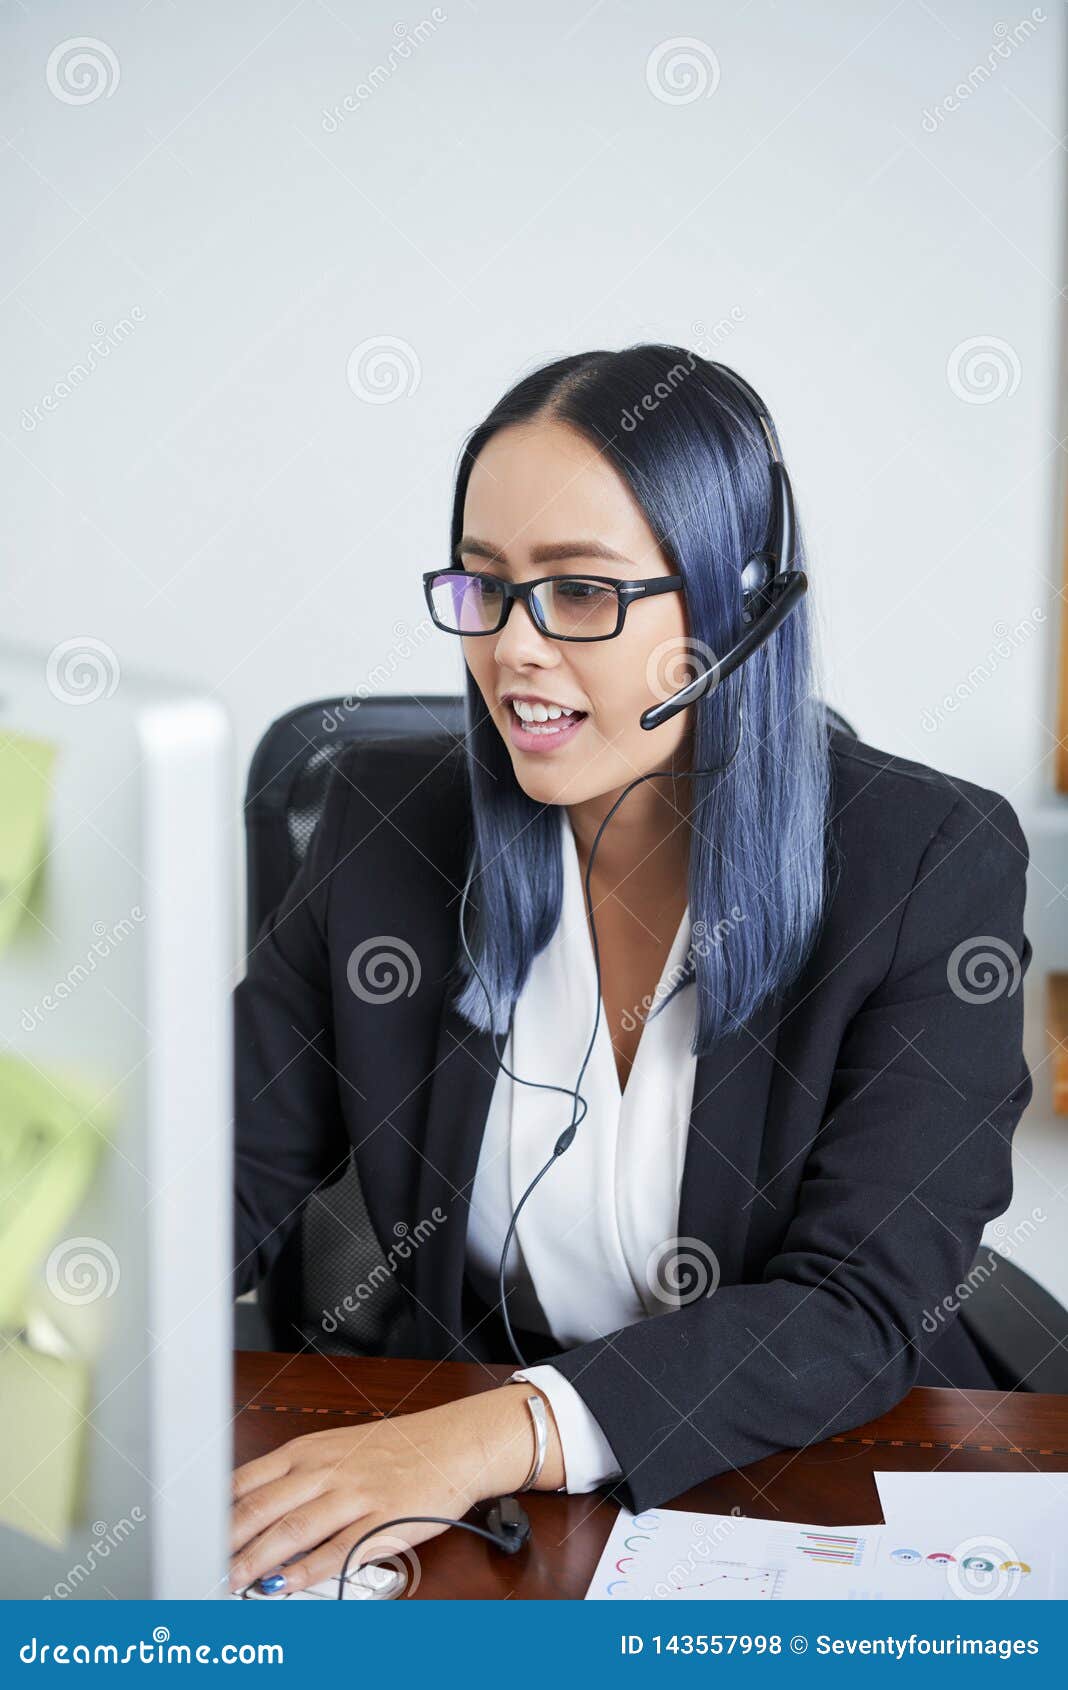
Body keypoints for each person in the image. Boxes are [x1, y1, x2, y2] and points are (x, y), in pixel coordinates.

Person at [228, 346, 1032, 1596]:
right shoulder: (380, 830)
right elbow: (215, 1176)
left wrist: (495, 1433)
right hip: (500, 1534)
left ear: (734, 608)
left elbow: (859, 1305)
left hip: (804, 1483)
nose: (514, 653)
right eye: (484, 587)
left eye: (583, 594)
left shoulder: (926, 864)